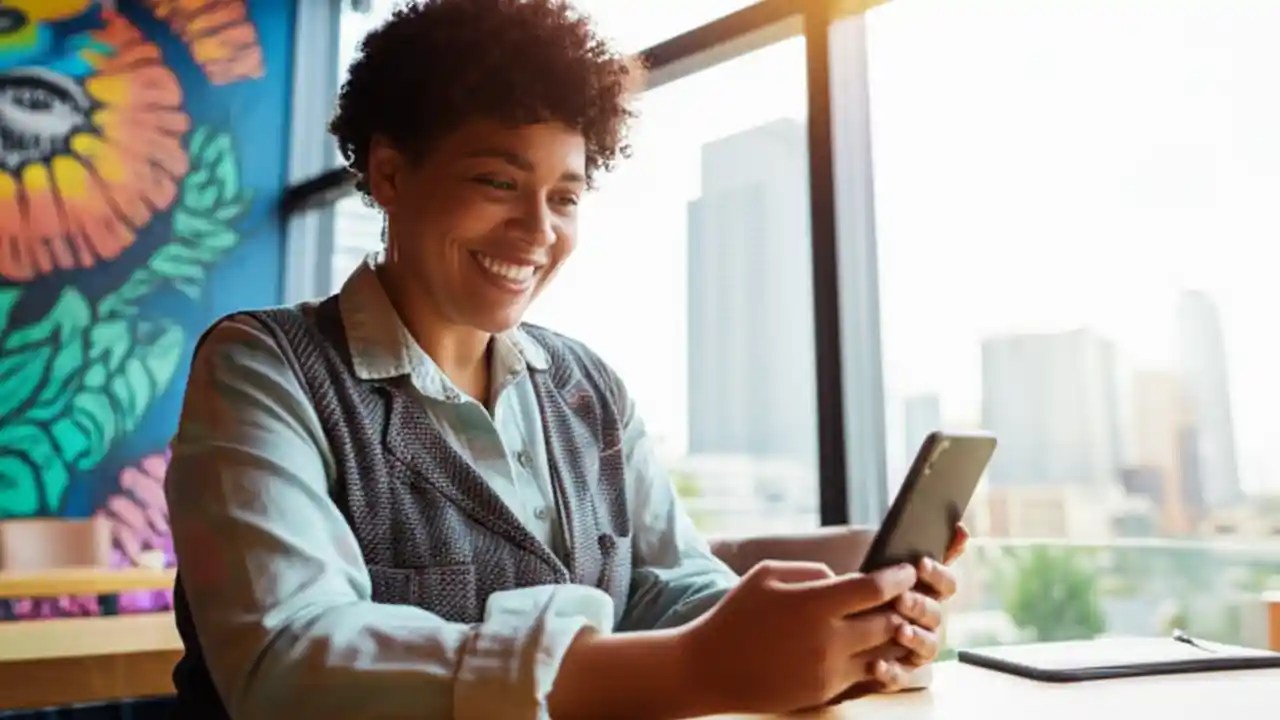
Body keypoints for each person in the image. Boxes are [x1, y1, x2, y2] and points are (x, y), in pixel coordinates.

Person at [165, 1, 967, 718]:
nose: (538, 229)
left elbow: (665, 586)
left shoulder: (590, 388)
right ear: (390, 174)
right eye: (497, 181)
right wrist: (692, 668)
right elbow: (288, 662)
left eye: (566, 196)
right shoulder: (264, 367)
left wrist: (819, 634)